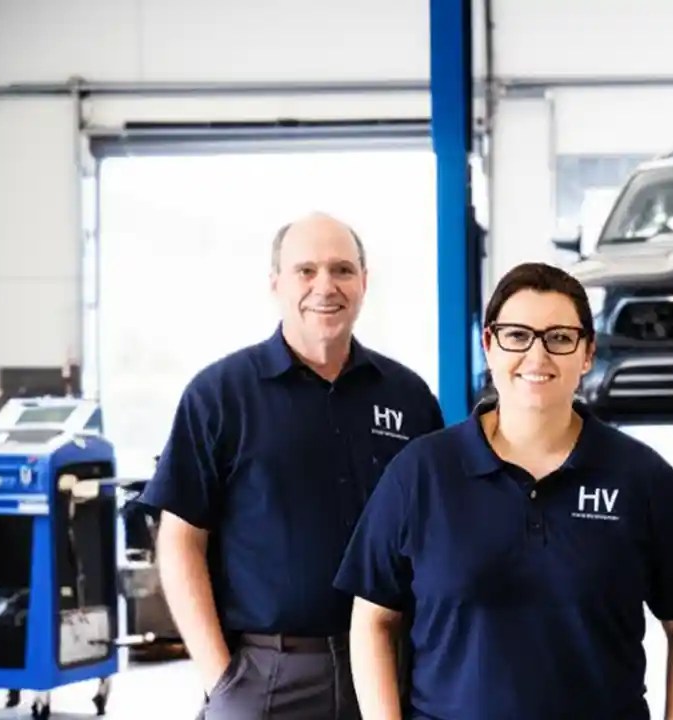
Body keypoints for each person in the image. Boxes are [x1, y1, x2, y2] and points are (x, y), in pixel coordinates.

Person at [333, 262, 673, 720]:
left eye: (559, 338)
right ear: (489, 345)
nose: (537, 357)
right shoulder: (421, 473)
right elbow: (374, 619)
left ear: (588, 353)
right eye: (517, 336)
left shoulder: (643, 479)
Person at [137, 212, 445, 720]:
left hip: (389, 667)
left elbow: (437, 534)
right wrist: (222, 678)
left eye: (342, 270)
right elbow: (180, 538)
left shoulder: (408, 398)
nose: (325, 286)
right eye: (306, 270)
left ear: (365, 283)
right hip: (266, 672)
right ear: (275, 282)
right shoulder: (220, 395)